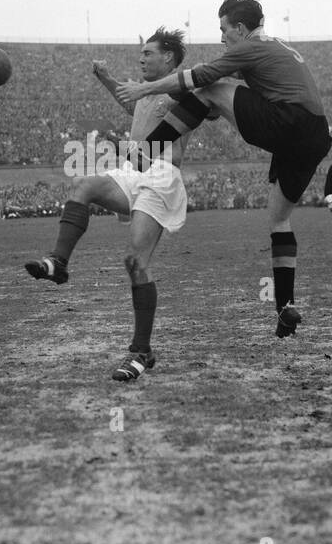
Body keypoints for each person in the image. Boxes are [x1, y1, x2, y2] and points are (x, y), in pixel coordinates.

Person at [117, 0, 332, 337]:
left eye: (224, 29)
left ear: (241, 29)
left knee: (209, 87)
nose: (221, 37)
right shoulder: (273, 47)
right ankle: (285, 309)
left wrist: (145, 88)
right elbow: (197, 90)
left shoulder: (251, 47)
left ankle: (143, 154)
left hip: (288, 123)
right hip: (315, 136)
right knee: (278, 218)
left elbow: (199, 79)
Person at [24, 28, 200, 381]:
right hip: (135, 171)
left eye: (148, 53)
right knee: (84, 184)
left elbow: (195, 94)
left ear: (168, 58)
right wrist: (106, 78)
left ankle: (141, 351)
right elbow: (128, 101)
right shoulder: (147, 95)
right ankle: (59, 263)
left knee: (136, 262)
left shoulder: (179, 89)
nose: (141, 58)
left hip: (162, 176)